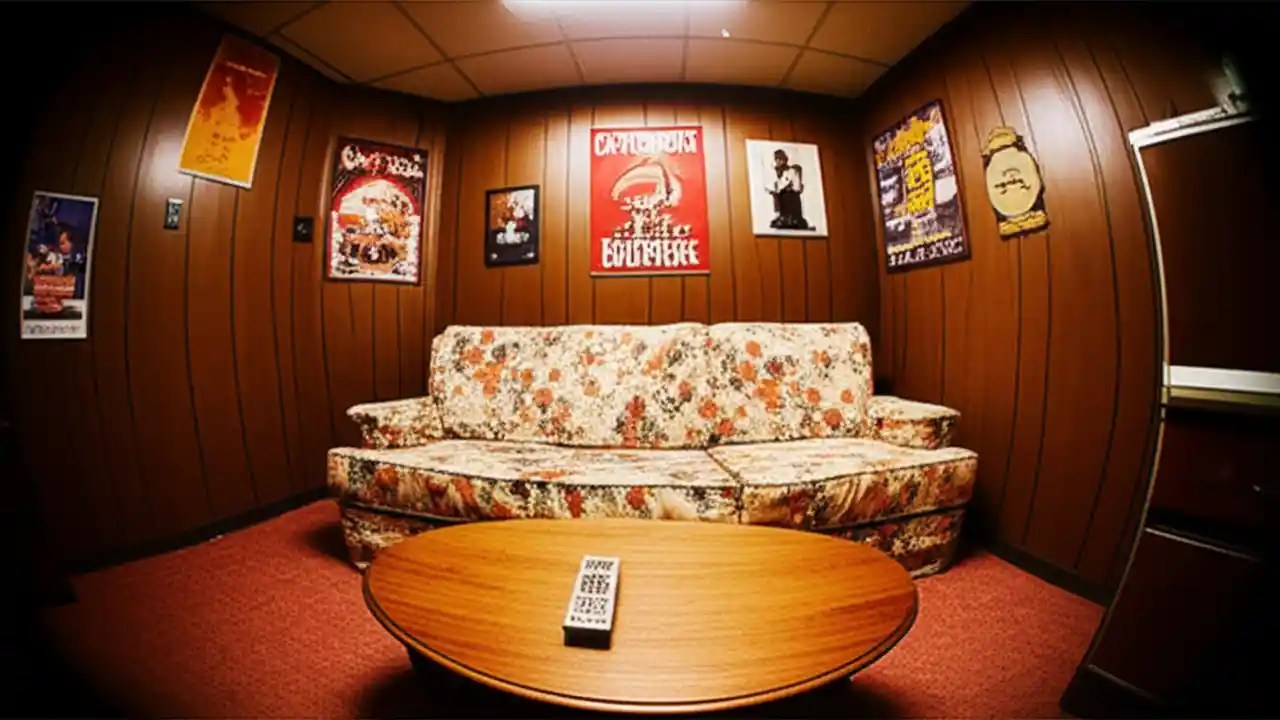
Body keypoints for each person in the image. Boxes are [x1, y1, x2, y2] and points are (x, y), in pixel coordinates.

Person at [766, 149, 812, 230]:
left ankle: (791, 219)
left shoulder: (791, 171)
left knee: (785, 196)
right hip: (783, 196)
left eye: (780, 159)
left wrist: (778, 188)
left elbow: (789, 185)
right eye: (776, 159)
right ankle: (781, 216)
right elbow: (771, 185)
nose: (778, 161)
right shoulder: (777, 171)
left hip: (791, 196)